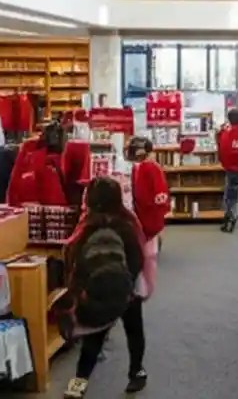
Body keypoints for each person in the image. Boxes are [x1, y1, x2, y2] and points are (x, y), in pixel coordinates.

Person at [58, 176, 152, 398]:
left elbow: (72, 258)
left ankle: (79, 382)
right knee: (134, 330)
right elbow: (139, 256)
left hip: (97, 293)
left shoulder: (87, 227)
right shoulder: (128, 222)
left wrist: (78, 289)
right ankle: (136, 372)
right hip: (128, 289)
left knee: (95, 336)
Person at [127, 136, 170, 250]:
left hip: (147, 207)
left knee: (148, 237)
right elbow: (160, 190)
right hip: (147, 207)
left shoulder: (146, 167)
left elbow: (159, 191)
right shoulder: (147, 167)